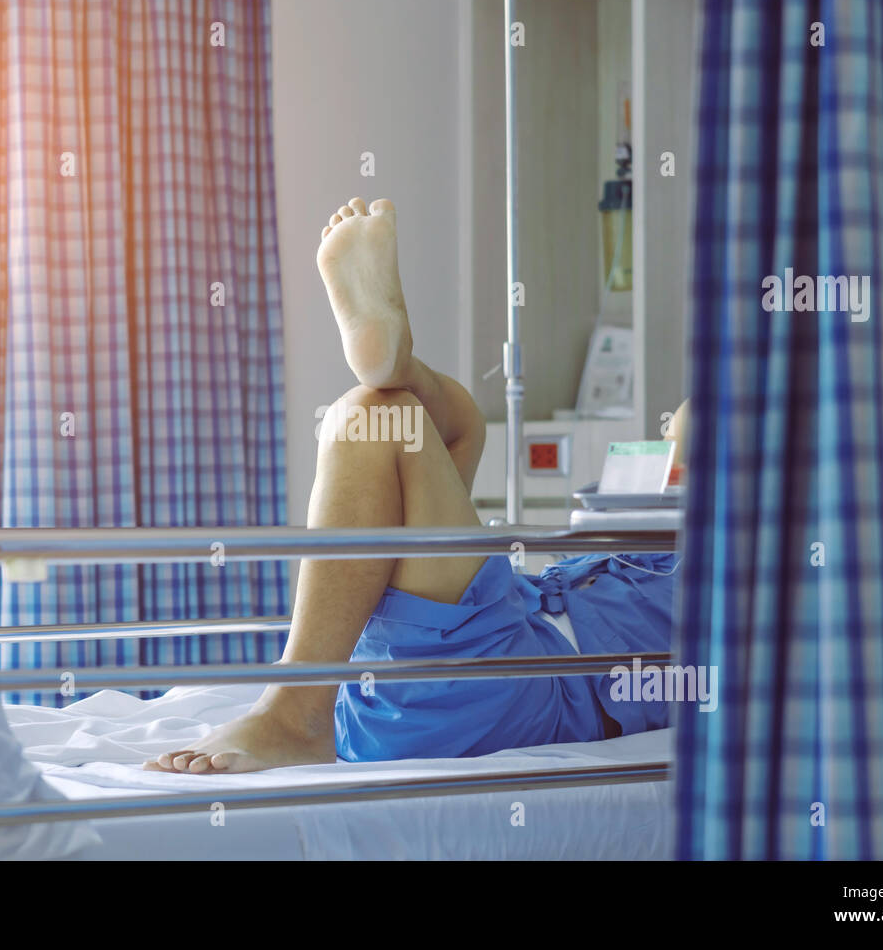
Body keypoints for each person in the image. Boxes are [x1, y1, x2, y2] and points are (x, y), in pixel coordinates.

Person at [148, 197, 679, 774]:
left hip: (513, 687)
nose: (670, 444)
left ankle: (295, 712)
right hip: (479, 648)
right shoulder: (647, 540)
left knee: (376, 416)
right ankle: (394, 363)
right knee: (432, 420)